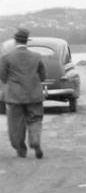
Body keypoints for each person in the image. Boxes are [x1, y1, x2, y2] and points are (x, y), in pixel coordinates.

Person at [0, 28, 47, 158]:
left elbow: (3, 77)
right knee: (35, 119)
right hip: (34, 95)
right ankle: (35, 140)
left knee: (16, 124)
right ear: (27, 41)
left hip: (14, 97)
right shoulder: (37, 56)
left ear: (15, 41)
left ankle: (20, 149)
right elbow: (43, 76)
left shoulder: (6, 57)